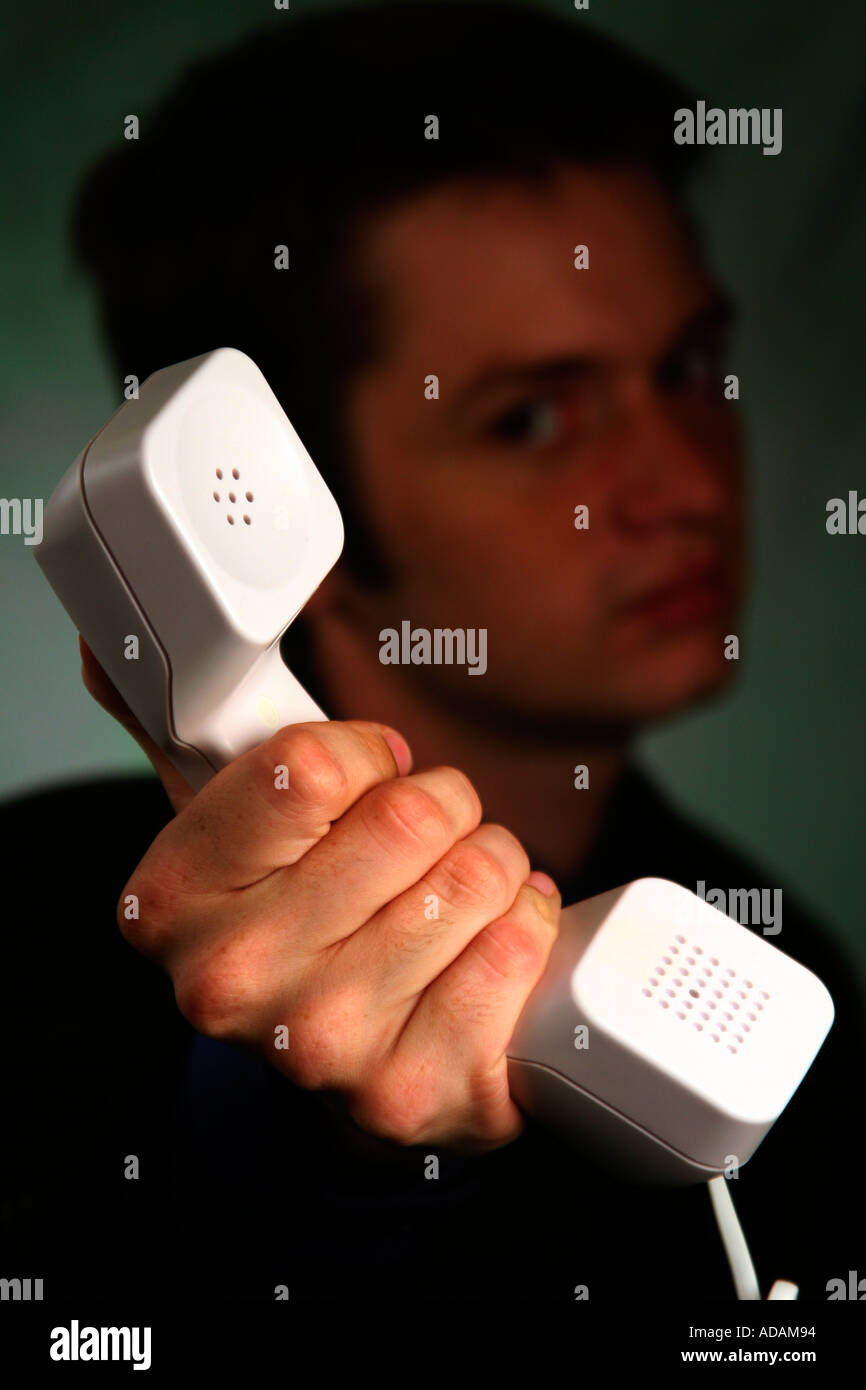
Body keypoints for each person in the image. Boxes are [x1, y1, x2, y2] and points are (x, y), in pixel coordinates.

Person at [2, 1, 862, 1306]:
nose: (684, 481)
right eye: (530, 418)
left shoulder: (770, 959)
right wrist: (308, 1153)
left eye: (688, 367)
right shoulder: (28, 931)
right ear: (304, 492)